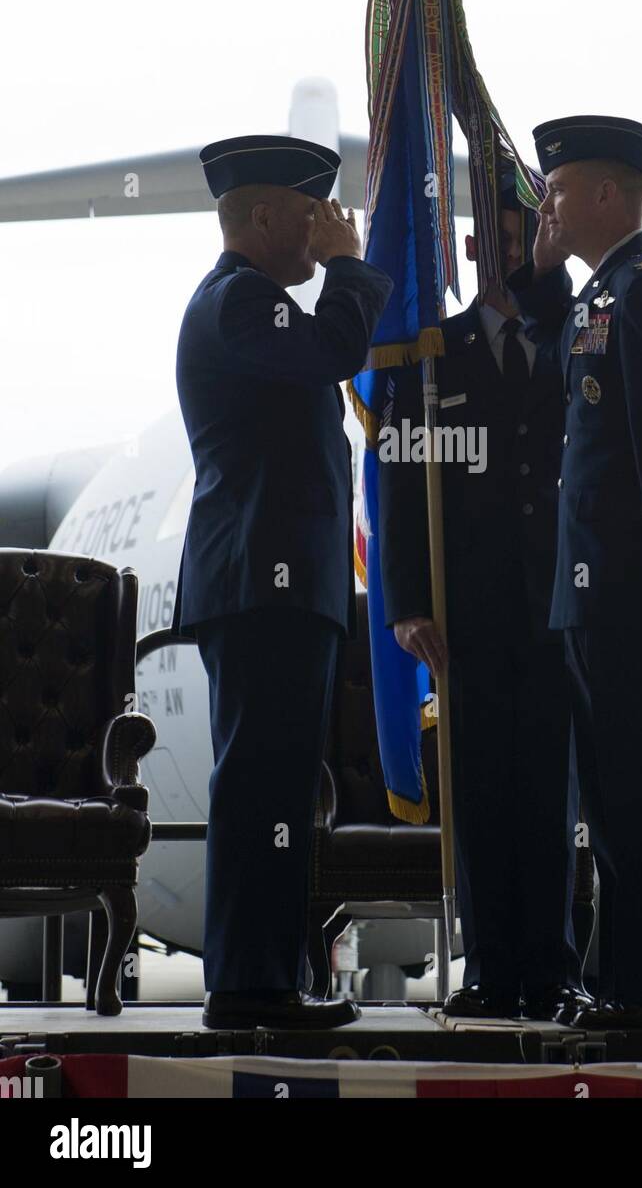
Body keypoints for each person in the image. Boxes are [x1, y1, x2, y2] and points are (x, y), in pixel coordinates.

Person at [172, 134, 392, 1030]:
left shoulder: (252, 305)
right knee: (261, 787)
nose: (324, 230)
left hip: (281, 586)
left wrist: (337, 264)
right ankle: (249, 987)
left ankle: (265, 977)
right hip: (261, 587)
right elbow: (333, 350)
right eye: (309, 216)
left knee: (276, 788)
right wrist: (352, 268)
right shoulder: (238, 304)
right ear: (259, 218)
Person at [507, 115, 642, 1031]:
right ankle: (629, 981)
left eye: (556, 190)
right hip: (593, 597)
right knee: (614, 796)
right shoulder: (604, 296)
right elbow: (559, 358)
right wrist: (542, 265)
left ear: (605, 194)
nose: (544, 205)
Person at [378, 171, 588, 1021]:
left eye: (520, 238)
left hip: (555, 608)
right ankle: (489, 970)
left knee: (550, 798)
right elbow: (395, 479)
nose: (508, 255)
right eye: (496, 241)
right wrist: (405, 602)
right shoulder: (432, 356)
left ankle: (556, 971)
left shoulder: (573, 337)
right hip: (463, 614)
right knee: (479, 797)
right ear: (469, 249)